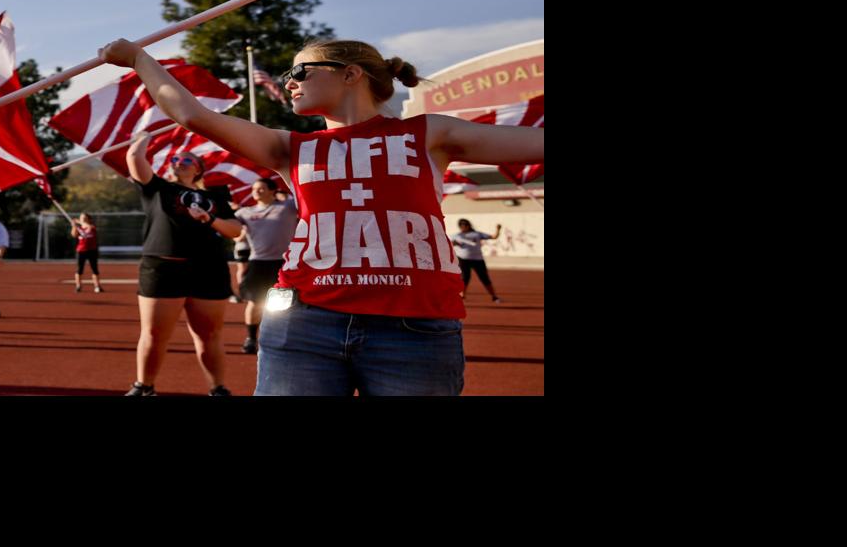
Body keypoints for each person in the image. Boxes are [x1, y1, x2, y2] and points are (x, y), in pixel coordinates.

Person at [97, 36, 543, 395]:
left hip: (415, 329)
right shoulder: (291, 147)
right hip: (304, 324)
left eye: (301, 72)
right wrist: (139, 59)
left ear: (351, 74)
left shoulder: (430, 133)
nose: (290, 82)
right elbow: (190, 115)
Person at [121, 136, 243, 397]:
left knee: (209, 335)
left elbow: (235, 230)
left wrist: (209, 219)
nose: (180, 162)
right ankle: (145, 386)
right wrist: (151, 134)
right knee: (154, 334)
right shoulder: (157, 188)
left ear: (198, 168)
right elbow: (134, 157)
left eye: (187, 160)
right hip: (164, 269)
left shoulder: (214, 196)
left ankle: (218, 388)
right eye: (175, 159)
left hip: (208, 270)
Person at [232, 178, 300, 354]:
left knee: (285, 304)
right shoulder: (244, 213)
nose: (257, 191)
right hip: (258, 263)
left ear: (272, 191)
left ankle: (281, 338)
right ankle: (251, 338)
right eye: (254, 188)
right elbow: (233, 233)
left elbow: (304, 199)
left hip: (284, 263)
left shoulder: (288, 207)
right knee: (255, 302)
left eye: (262, 188)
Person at [452, 219, 503, 303]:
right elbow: (451, 244)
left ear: (468, 225)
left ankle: (494, 296)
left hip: (477, 259)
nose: (463, 227)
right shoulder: (457, 236)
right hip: (463, 260)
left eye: (465, 225)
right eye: (461, 225)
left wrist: (498, 229)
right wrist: (454, 243)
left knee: (484, 278)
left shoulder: (477, 234)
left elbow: (494, 237)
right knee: (465, 278)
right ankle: (462, 295)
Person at [71, 212, 103, 293]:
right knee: (79, 269)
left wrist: (79, 222)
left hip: (92, 250)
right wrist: (74, 226)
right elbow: (74, 235)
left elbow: (89, 228)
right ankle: (78, 286)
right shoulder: (79, 228)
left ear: (89, 219)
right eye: (82, 218)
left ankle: (97, 286)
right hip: (81, 250)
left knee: (94, 269)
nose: (83, 219)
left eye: (84, 218)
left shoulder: (92, 227)